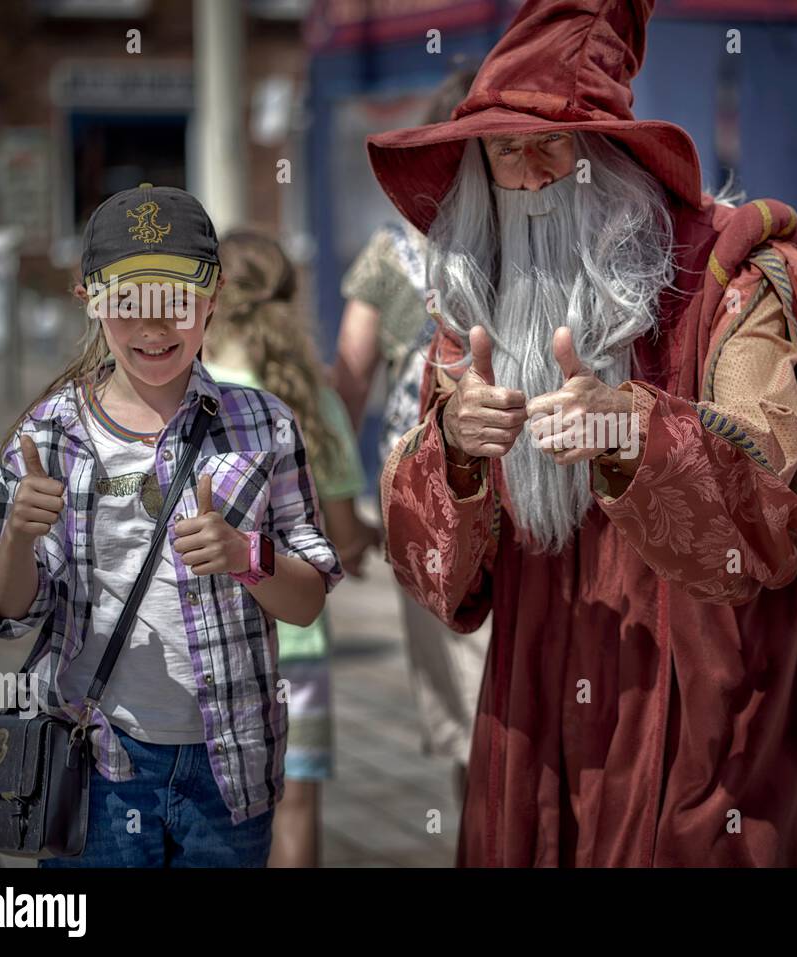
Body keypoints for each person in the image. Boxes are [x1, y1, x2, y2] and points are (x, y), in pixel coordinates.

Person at [369, 0, 797, 866]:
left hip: (707, 714)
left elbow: (768, 519)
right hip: (536, 709)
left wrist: (635, 432)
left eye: (552, 147)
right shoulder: (475, 308)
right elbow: (435, 578)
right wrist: (457, 453)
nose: (529, 178)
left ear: (610, 156)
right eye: (503, 150)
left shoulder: (737, 279)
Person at [0, 184, 344, 867]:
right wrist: (18, 536)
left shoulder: (264, 424)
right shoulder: (49, 435)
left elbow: (308, 598)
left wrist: (245, 554)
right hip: (96, 764)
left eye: (176, 300)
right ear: (88, 298)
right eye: (127, 302)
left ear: (213, 297)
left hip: (230, 768)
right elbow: (6, 611)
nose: (153, 325)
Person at [335, 64, 487, 806]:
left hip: (424, 500)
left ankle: (482, 836)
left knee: (464, 711)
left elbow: (347, 384)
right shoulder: (519, 244)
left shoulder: (390, 251)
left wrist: (339, 514)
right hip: (504, 494)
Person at [204, 228, 373, 867]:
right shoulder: (312, 399)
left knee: (207, 810)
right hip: (294, 641)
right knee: (294, 804)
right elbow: (343, 537)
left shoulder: (183, 395)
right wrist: (366, 541)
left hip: (201, 644)